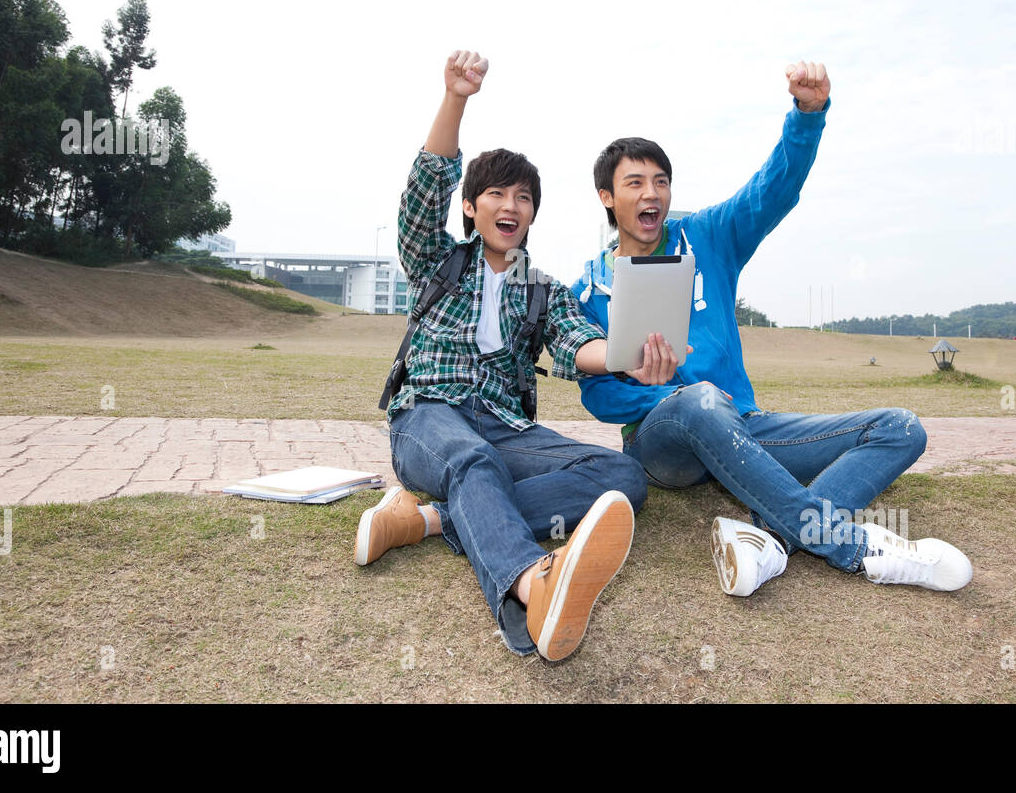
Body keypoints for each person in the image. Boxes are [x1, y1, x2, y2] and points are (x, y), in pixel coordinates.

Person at [570, 60, 973, 597]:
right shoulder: (590, 289)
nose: (652, 194)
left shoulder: (709, 237)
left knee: (901, 428)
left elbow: (772, 191)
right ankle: (855, 549)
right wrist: (645, 386)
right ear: (607, 197)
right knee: (699, 399)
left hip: (745, 426)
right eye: (635, 183)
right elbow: (596, 398)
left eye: (661, 182)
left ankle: (767, 540)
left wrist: (807, 116)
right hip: (662, 446)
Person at [356, 50, 681, 662]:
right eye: (496, 194)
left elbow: (575, 342)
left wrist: (625, 358)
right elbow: (424, 192)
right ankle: (533, 587)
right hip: (427, 416)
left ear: (534, 212)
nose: (511, 206)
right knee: (472, 460)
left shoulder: (544, 289)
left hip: (507, 427)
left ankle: (428, 522)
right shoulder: (437, 261)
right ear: (471, 207)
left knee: (622, 477)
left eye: (524, 196)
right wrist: (456, 98)